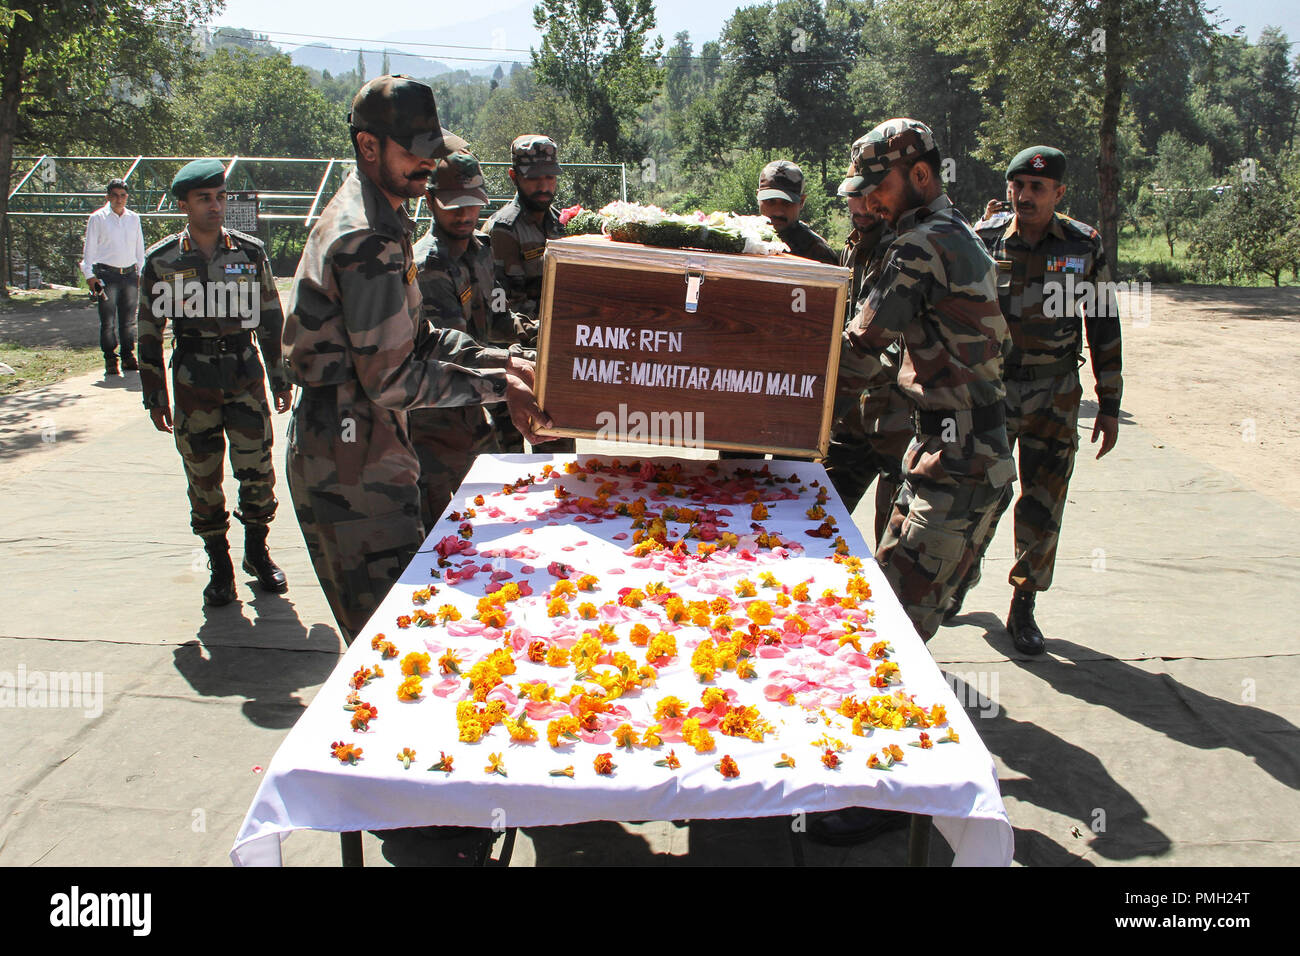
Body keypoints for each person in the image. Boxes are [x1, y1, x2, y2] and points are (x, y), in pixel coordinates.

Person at [281, 75, 547, 643]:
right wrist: (499, 386)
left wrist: (505, 365)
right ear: (368, 145)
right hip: (352, 466)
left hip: (370, 451)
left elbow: (417, 338)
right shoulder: (366, 237)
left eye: (433, 150)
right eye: (413, 152)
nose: (427, 165)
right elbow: (393, 378)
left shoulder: (384, 219)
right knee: (394, 645)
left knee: (410, 634)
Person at [841, 118, 1015, 642]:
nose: (870, 204)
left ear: (920, 174)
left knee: (890, 636)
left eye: (879, 189)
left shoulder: (917, 246)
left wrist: (781, 420)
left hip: (955, 466)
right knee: (890, 614)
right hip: (959, 452)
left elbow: (860, 351)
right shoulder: (955, 230)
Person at [948, 146, 1123, 654]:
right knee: (981, 492)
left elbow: (1105, 322)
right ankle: (961, 573)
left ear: (1059, 193)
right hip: (991, 391)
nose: (1024, 196)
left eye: (1037, 188)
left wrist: (1109, 402)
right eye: (1017, 186)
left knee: (1043, 501)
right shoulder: (980, 242)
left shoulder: (1084, 245)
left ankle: (1024, 602)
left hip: (1055, 394)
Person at [137, 159, 291, 606]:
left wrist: (280, 377)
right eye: (204, 198)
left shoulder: (249, 252)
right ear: (184, 204)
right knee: (203, 476)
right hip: (192, 379)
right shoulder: (162, 261)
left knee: (257, 469)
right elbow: (148, 331)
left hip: (244, 374)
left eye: (220, 196)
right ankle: (219, 564)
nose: (215, 205)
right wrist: (154, 394)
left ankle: (257, 553)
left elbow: (269, 316)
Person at [408, 149, 534, 528]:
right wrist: (516, 366)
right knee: (440, 529)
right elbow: (454, 351)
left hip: (476, 407)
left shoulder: (479, 253)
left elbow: (496, 320)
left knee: (491, 510)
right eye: (453, 207)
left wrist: (544, 336)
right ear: (430, 201)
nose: (464, 216)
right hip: (435, 417)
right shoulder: (428, 266)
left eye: (472, 205)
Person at [821, 164, 912, 543]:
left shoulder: (906, 249)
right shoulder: (854, 246)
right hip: (853, 416)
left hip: (898, 419)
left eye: (865, 196)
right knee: (820, 512)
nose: (858, 205)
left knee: (893, 539)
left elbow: (881, 340)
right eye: (851, 197)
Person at [483, 133, 572, 454]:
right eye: (534, 178)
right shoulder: (502, 230)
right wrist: (542, 331)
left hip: (550, 356)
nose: (544, 186)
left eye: (550, 177)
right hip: (511, 358)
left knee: (557, 447)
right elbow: (494, 309)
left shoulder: (559, 226)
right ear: (514, 177)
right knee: (508, 454)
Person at [82, 178, 145, 376]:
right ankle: (110, 358)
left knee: (128, 320)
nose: (119, 199)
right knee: (108, 320)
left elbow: (139, 248)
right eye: (115, 195)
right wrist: (89, 275)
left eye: (123, 196)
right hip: (106, 275)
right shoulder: (98, 218)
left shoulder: (133, 218)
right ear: (108, 197)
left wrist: (140, 273)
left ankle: (128, 356)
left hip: (129, 274)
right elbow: (89, 249)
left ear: (127, 197)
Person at [756, 160, 838, 265]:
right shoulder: (743, 241)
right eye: (770, 201)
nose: (778, 211)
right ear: (758, 197)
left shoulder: (818, 254)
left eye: (787, 202)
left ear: (802, 201)